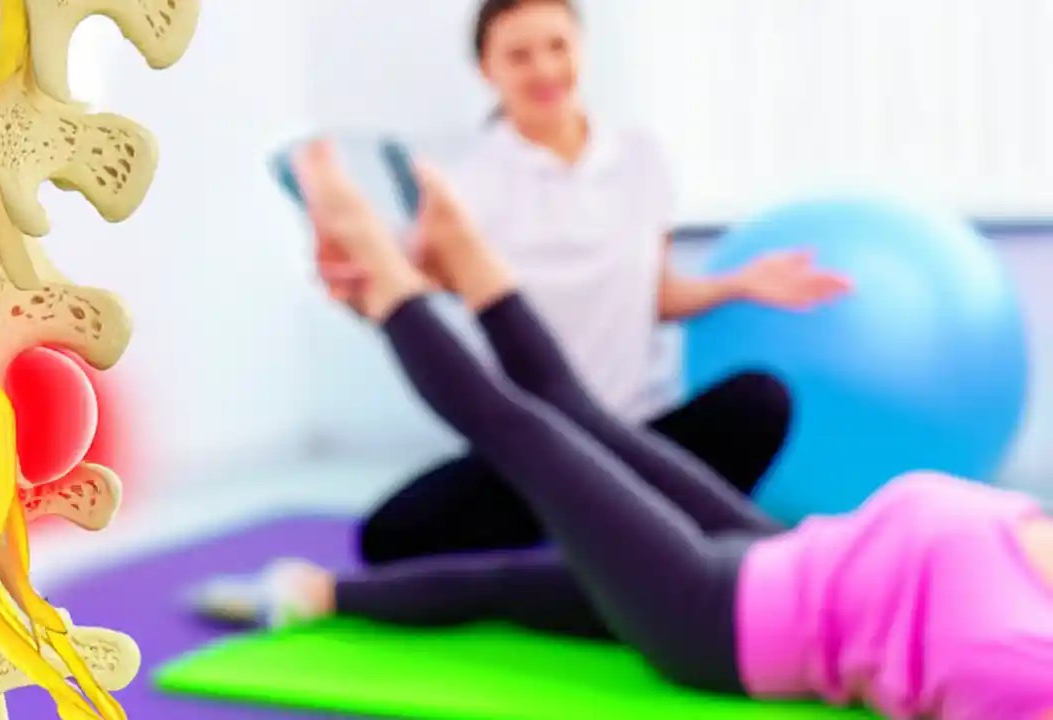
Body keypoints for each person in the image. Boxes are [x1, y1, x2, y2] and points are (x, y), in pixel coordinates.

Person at [204, 140, 1053, 720]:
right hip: (774, 555)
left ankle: (378, 269)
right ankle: (315, 592)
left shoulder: (1025, 666)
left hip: (716, 618)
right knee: (556, 462)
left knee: (519, 428)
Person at [322, 0, 850, 565]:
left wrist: (739, 284)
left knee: (759, 401)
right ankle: (619, 524)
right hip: (540, 445)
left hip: (643, 432)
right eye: (519, 55)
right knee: (388, 538)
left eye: (558, 46)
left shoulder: (640, 159)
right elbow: (408, 301)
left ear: (582, 50)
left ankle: (616, 524)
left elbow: (655, 296)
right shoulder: (461, 187)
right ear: (487, 70)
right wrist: (356, 285)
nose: (545, 69)